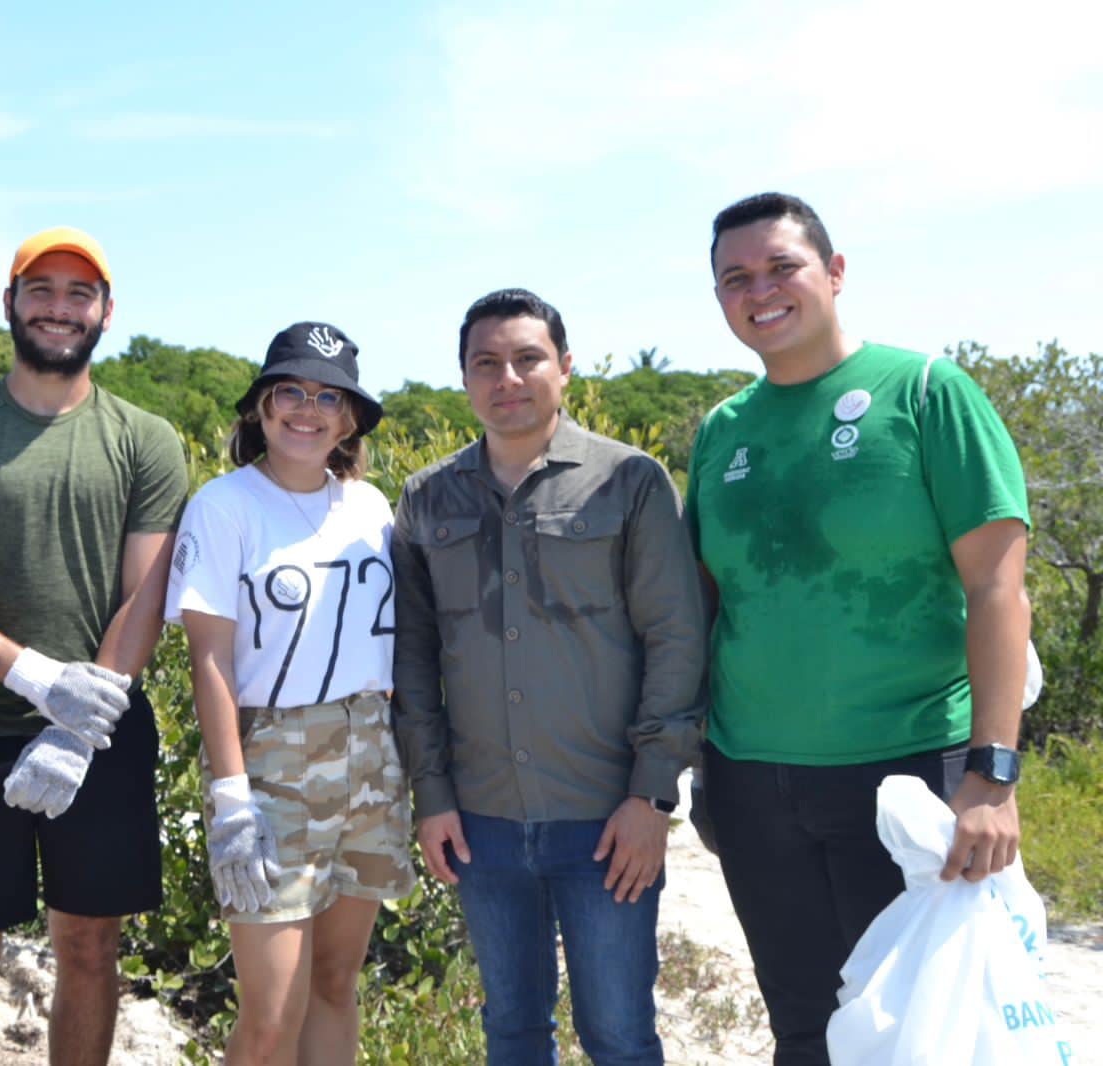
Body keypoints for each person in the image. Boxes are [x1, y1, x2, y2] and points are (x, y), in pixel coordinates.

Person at [688, 192, 1031, 1065]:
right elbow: (707, 609)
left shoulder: (926, 392)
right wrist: (698, 767)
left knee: (920, 1033)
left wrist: (992, 777)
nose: (760, 291)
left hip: (909, 774)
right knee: (805, 1030)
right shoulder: (723, 431)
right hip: (752, 781)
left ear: (835, 272)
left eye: (782, 267)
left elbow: (997, 587)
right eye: (736, 278)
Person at [0, 226, 188, 1066]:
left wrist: (79, 719)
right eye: (42, 290)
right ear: (10, 302)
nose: (60, 308)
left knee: (91, 950)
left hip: (102, 733)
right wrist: (33, 676)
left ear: (106, 312)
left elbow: (146, 594)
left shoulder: (146, 439)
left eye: (79, 294)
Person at [392, 288, 708, 1065]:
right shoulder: (426, 498)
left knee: (619, 1037)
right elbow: (414, 661)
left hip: (606, 817)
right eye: (486, 363)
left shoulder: (630, 481)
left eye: (527, 358)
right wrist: (432, 795)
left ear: (564, 368)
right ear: (464, 378)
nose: (507, 378)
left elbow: (675, 638)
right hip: (482, 821)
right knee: (511, 1030)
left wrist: (651, 797)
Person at [165, 322, 416, 1064]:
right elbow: (209, 659)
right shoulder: (224, 505)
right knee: (273, 1013)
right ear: (261, 407)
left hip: (372, 753)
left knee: (337, 983)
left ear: (349, 418)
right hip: (271, 762)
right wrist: (231, 797)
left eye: (328, 397)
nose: (308, 410)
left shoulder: (371, 506)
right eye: (290, 392)